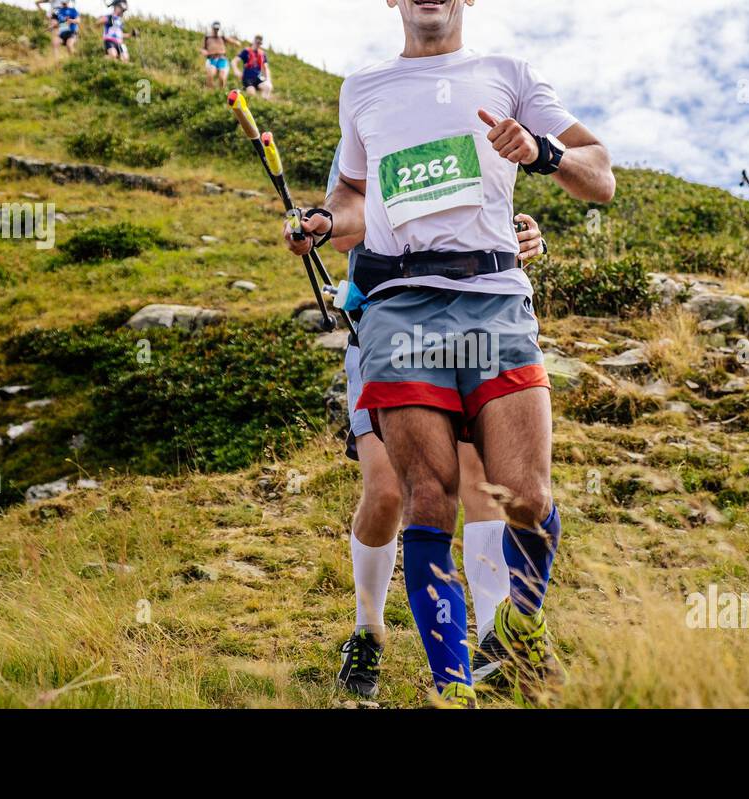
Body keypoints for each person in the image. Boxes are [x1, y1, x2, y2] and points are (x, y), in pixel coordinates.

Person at [284, 0, 614, 708]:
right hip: (399, 307)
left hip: (493, 296)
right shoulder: (363, 88)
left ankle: (518, 630)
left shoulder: (509, 73)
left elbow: (601, 174)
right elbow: (352, 202)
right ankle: (453, 689)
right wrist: (322, 220)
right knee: (425, 500)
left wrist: (542, 153)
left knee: (523, 495)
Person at [326, 141, 551, 700]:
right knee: (387, 491)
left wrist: (524, 237)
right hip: (390, 329)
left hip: (479, 320)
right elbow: (349, 223)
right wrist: (322, 224)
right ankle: (368, 630)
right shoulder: (371, 128)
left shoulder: (471, 120)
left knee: (483, 486)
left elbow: (492, 216)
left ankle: (494, 638)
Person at [233, 35, 272, 99]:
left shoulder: (262, 53)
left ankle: (262, 103)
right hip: (247, 79)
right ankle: (251, 97)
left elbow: (266, 68)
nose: (258, 44)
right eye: (257, 42)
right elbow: (234, 61)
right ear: (254, 41)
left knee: (268, 87)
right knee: (252, 94)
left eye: (260, 43)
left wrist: (268, 79)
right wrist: (236, 70)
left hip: (258, 78)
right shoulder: (246, 51)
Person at [202, 22, 231, 89]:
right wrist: (204, 51)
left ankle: (221, 92)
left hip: (222, 59)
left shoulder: (222, 37)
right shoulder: (207, 37)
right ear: (212, 28)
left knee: (222, 78)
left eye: (217, 29)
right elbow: (203, 48)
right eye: (215, 29)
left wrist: (236, 42)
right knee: (210, 75)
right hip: (212, 59)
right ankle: (211, 92)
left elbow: (231, 41)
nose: (216, 30)